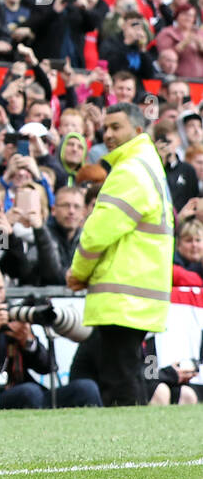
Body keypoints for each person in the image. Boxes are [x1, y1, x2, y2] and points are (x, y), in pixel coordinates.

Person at [66, 103, 173, 406]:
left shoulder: (130, 169)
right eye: (106, 128)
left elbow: (96, 232)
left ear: (138, 130)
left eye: (117, 127)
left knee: (120, 386)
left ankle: (129, 453)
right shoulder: (147, 164)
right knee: (124, 377)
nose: (108, 134)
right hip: (135, 295)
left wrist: (78, 273)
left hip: (122, 297)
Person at [0, 262, 102, 411]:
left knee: (85, 388)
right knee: (29, 392)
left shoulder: (15, 313)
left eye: (0, 288)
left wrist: (28, 341)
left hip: (29, 394)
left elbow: (48, 367)